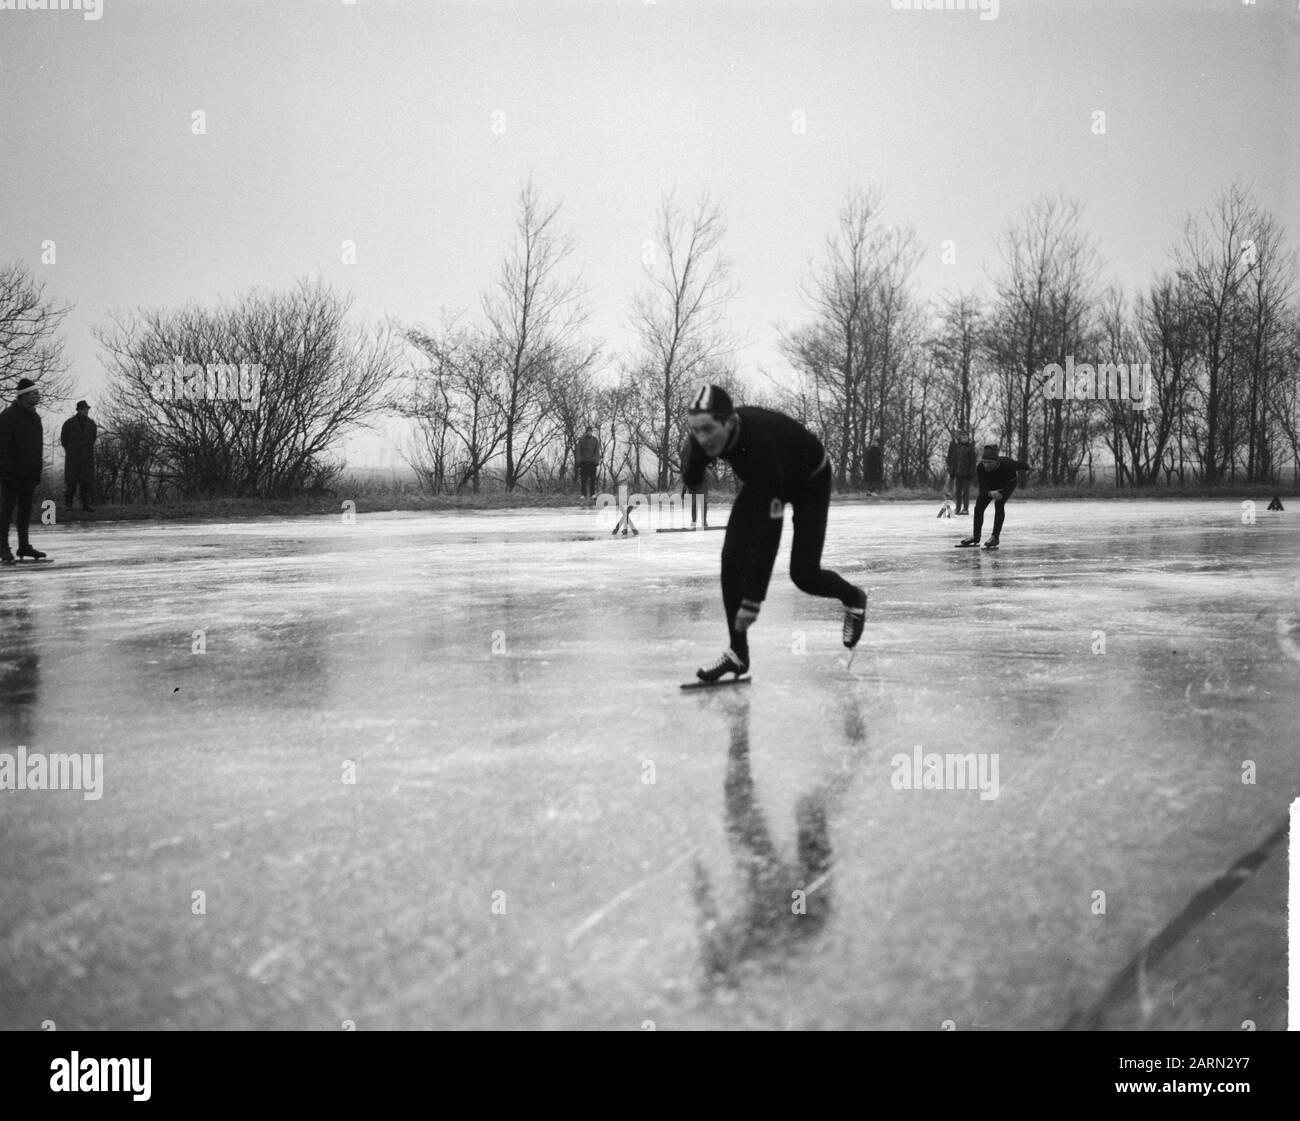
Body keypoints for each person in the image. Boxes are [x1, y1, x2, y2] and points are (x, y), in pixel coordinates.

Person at [682, 385, 868, 682]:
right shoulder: (703, 439)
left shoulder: (760, 447)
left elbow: (769, 529)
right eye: (695, 431)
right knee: (730, 557)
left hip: (809, 480)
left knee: (804, 574)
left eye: (707, 430)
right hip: (765, 482)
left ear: (729, 422)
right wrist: (691, 475)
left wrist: (753, 598)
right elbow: (693, 468)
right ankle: (737, 653)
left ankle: (853, 597)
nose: (702, 438)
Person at [0, 379, 48, 563]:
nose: (38, 395)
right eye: (34, 393)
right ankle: (3, 546)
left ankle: (24, 545)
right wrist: (7, 471)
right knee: (7, 510)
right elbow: (3, 447)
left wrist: (37, 470)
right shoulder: (7, 416)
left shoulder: (35, 417)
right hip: (11, 474)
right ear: (24, 395)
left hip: (29, 473)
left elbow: (37, 447)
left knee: (25, 510)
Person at [958, 443, 1033, 550]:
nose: (986, 465)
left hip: (1007, 484)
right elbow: (983, 487)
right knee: (978, 507)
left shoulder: (1007, 463)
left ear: (997, 462)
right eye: (984, 462)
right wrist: (990, 493)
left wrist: (1027, 466)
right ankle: (976, 537)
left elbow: (1019, 464)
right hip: (990, 487)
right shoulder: (980, 467)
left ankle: (995, 537)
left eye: (989, 463)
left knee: (999, 504)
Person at [61, 399, 97, 512]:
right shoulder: (69, 423)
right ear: (79, 410)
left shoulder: (92, 424)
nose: (86, 411)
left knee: (86, 483)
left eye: (87, 409)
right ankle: (68, 505)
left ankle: (86, 505)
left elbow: (93, 439)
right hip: (73, 458)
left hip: (87, 458)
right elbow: (64, 440)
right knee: (71, 483)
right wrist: (72, 450)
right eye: (84, 409)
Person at [946, 430, 976, 515]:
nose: (964, 439)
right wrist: (952, 472)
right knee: (958, 493)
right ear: (960, 438)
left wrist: (971, 473)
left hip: (966, 475)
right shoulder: (957, 447)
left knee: (965, 493)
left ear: (968, 438)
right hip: (958, 474)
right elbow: (954, 461)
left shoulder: (970, 448)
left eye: (965, 437)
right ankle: (958, 509)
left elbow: (973, 462)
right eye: (962, 437)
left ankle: (965, 509)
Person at [575, 425, 600, 501]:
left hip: (592, 462)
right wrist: (578, 461)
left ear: (591, 432)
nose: (589, 432)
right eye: (588, 431)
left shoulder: (595, 440)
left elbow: (597, 451)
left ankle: (592, 494)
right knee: (583, 479)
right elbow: (578, 451)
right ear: (586, 432)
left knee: (592, 479)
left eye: (590, 431)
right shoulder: (581, 440)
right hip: (584, 462)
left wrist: (596, 461)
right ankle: (583, 494)